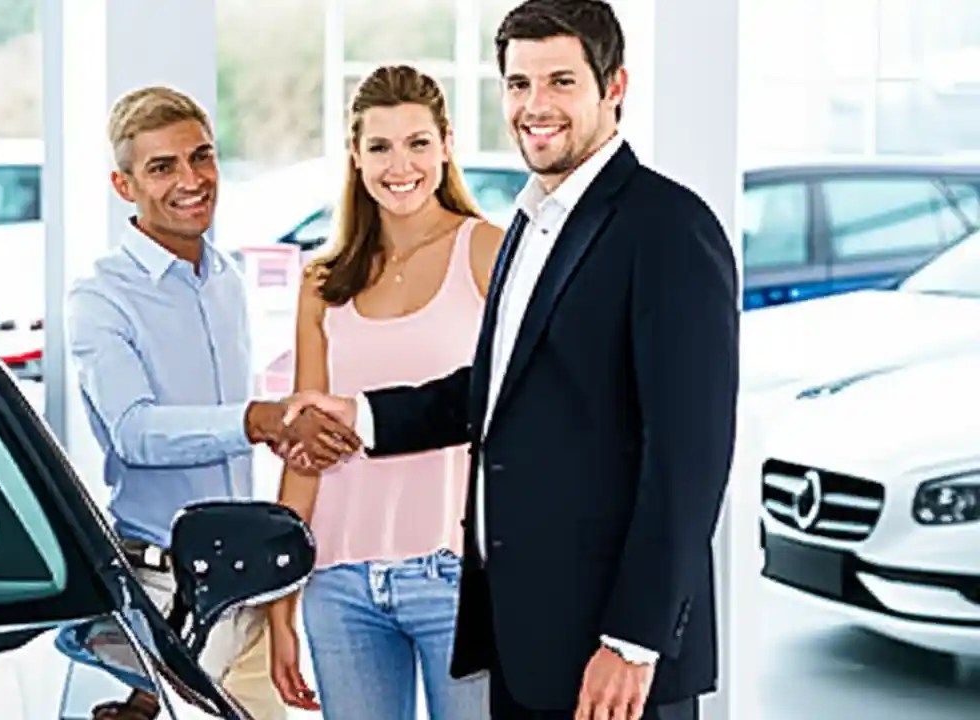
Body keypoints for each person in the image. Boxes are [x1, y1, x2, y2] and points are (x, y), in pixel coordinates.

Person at [282, 1, 740, 718]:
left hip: (607, 651)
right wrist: (365, 414)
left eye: (561, 81)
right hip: (524, 640)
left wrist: (634, 640)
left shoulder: (667, 227)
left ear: (613, 87)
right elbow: (500, 391)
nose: (535, 107)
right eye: (519, 85)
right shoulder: (533, 221)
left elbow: (690, 457)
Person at [67, 85, 359, 720]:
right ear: (125, 186)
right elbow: (133, 433)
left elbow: (222, 421)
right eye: (162, 167)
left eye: (201, 157)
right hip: (167, 593)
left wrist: (278, 428)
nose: (191, 180)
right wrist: (257, 420)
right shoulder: (100, 299)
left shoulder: (224, 279)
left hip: (244, 584)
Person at [266, 65, 504, 720]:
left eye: (418, 143)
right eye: (380, 146)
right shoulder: (323, 280)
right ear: (355, 155)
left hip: (456, 579)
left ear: (446, 144)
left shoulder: (487, 252)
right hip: (340, 585)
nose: (401, 165)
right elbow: (303, 448)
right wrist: (280, 603)